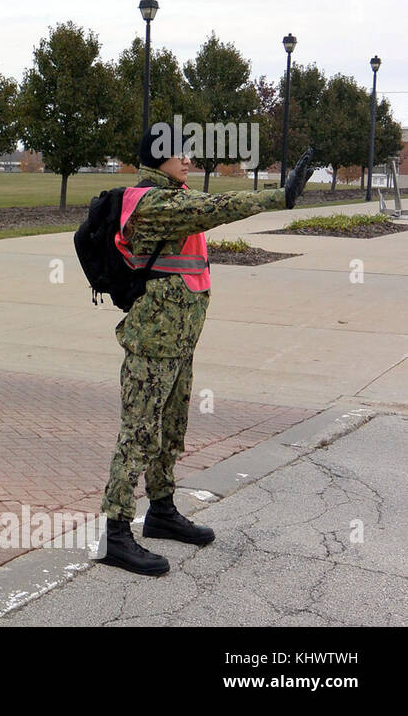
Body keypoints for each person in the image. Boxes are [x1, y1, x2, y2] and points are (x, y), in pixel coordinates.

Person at [96, 126, 314, 577]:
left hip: (179, 339)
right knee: (138, 434)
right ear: (158, 157)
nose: (189, 160)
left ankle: (160, 510)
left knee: (170, 429)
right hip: (153, 340)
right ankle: (116, 533)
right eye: (180, 153)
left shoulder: (174, 196)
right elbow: (215, 208)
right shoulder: (153, 202)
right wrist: (280, 196)